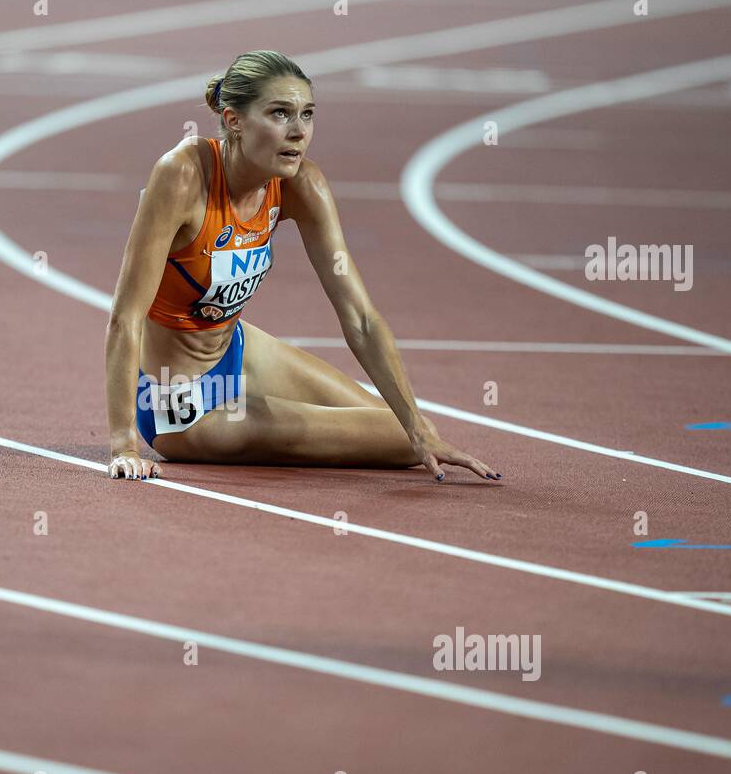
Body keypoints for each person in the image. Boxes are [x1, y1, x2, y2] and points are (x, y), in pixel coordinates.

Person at [104, 50, 498, 483]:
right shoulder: (182, 176)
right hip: (175, 400)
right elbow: (126, 317)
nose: (298, 132)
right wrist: (124, 445)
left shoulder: (300, 185)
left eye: (307, 115)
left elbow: (360, 318)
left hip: (236, 351)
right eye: (280, 114)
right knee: (404, 440)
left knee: (414, 428)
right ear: (234, 120)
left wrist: (418, 426)